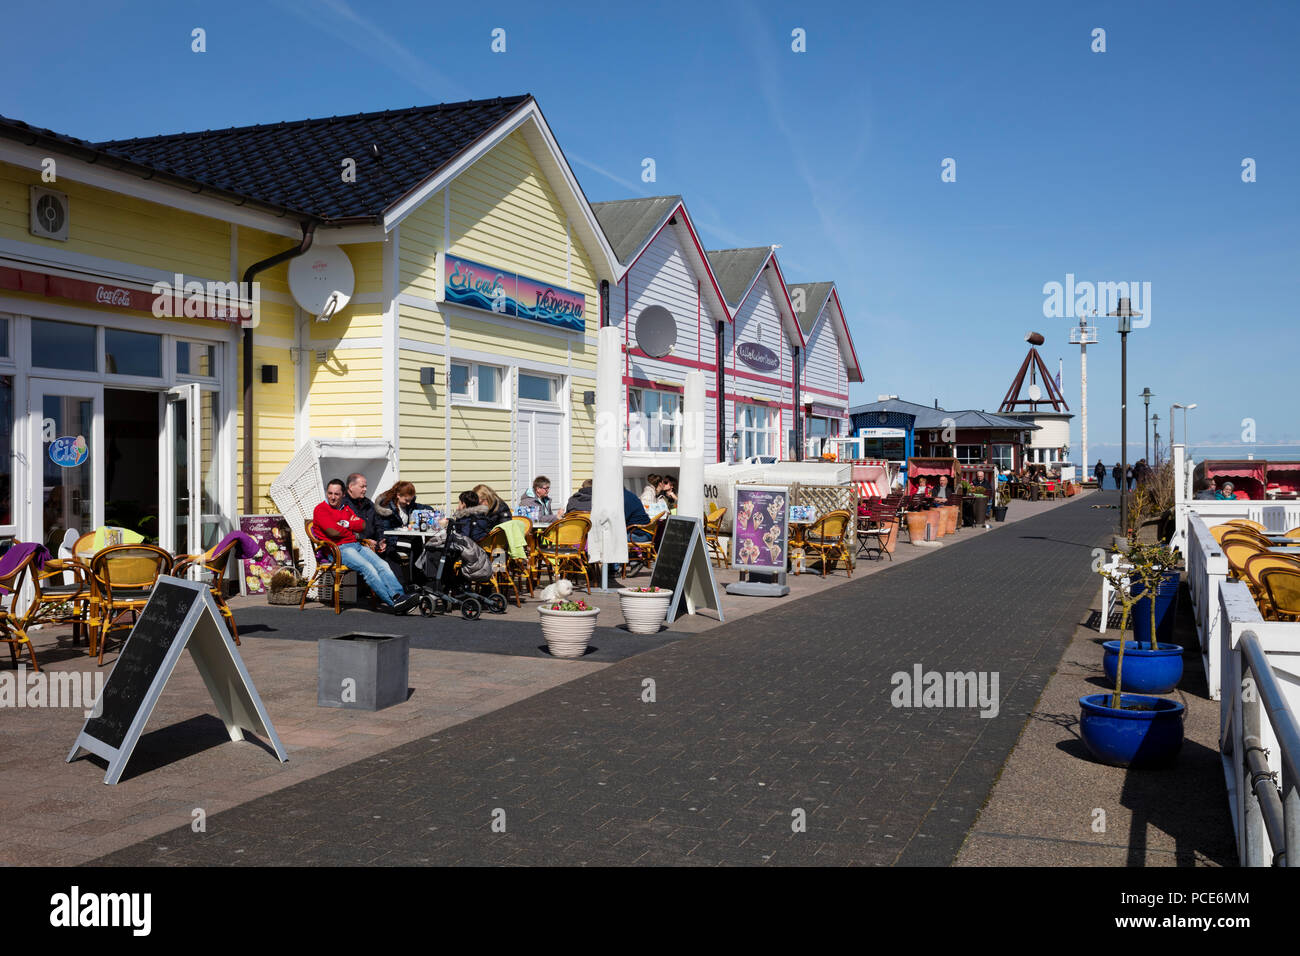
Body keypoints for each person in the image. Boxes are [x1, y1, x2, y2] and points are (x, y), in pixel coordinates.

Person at [313, 479, 416, 613]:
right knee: (368, 568)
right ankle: (393, 603)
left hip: (356, 545)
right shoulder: (321, 509)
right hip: (338, 549)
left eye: (336, 494)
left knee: (382, 565)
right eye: (330, 493)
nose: (332, 497)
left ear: (343, 495)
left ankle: (399, 596)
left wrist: (346, 524)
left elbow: (362, 525)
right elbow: (333, 532)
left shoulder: (345, 508)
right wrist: (349, 527)